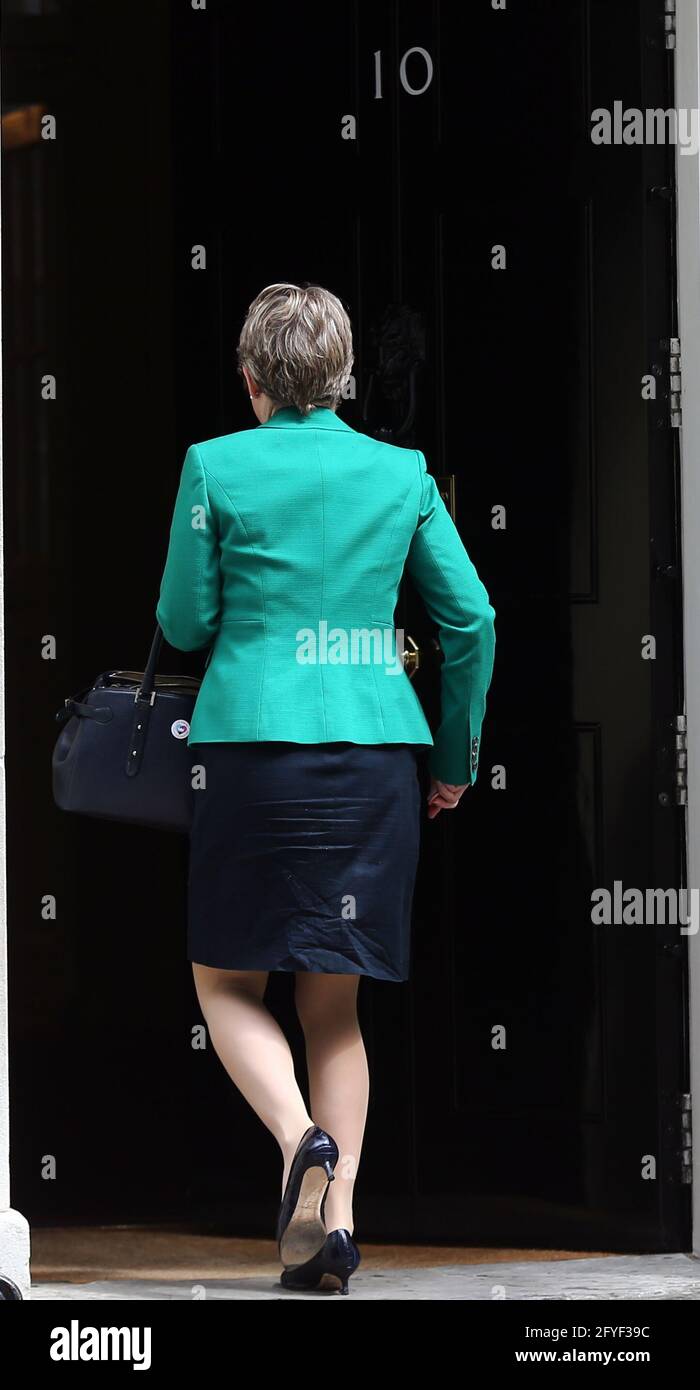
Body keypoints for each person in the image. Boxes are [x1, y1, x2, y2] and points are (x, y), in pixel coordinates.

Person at [155, 281, 496, 1294]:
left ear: (251, 377)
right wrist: (453, 763)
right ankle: (332, 1231)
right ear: (344, 378)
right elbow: (470, 621)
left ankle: (298, 1136)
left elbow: (182, 621)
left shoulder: (214, 465)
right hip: (372, 761)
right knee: (333, 1010)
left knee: (223, 980)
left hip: (252, 753)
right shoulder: (403, 475)